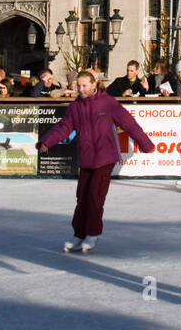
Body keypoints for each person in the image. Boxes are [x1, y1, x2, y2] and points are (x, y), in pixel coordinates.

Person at [38, 70, 156, 252]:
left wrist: (145, 144)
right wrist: (46, 141)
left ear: (94, 84)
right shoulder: (76, 107)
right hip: (86, 158)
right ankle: (78, 235)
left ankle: (92, 234)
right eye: (79, 85)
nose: (81, 89)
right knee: (82, 197)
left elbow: (128, 123)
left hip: (105, 157)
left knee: (95, 196)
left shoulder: (107, 103)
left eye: (85, 85)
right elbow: (64, 127)